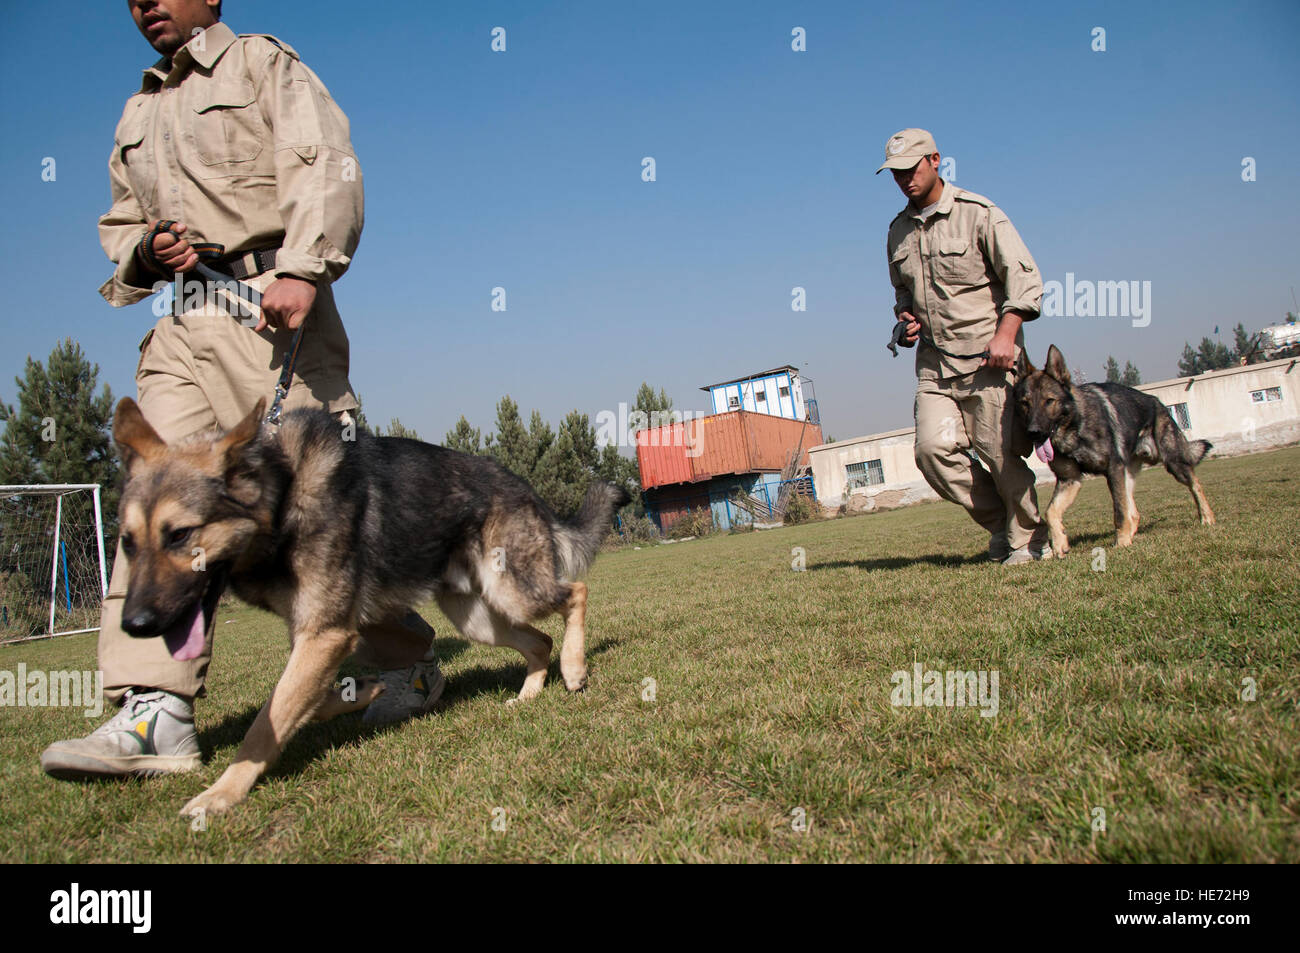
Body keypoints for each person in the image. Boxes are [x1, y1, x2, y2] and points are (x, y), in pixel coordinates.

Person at [41, 0, 443, 781]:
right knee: (152, 507)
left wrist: (301, 265)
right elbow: (119, 221)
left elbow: (324, 162)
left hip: (266, 314)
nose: (145, 3)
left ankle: (405, 658)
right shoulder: (138, 108)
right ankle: (151, 709)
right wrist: (146, 251)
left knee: (325, 526)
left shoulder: (261, 62)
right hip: (178, 324)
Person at [879, 128, 1050, 565]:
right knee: (932, 452)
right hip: (934, 366)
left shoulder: (979, 213)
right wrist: (905, 320)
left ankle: (1029, 539)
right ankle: (1002, 526)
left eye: (910, 169)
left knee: (998, 455)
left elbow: (1026, 282)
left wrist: (1006, 335)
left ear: (935, 160)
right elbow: (904, 295)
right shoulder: (897, 232)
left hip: (987, 360)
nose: (903, 179)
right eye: (895, 173)